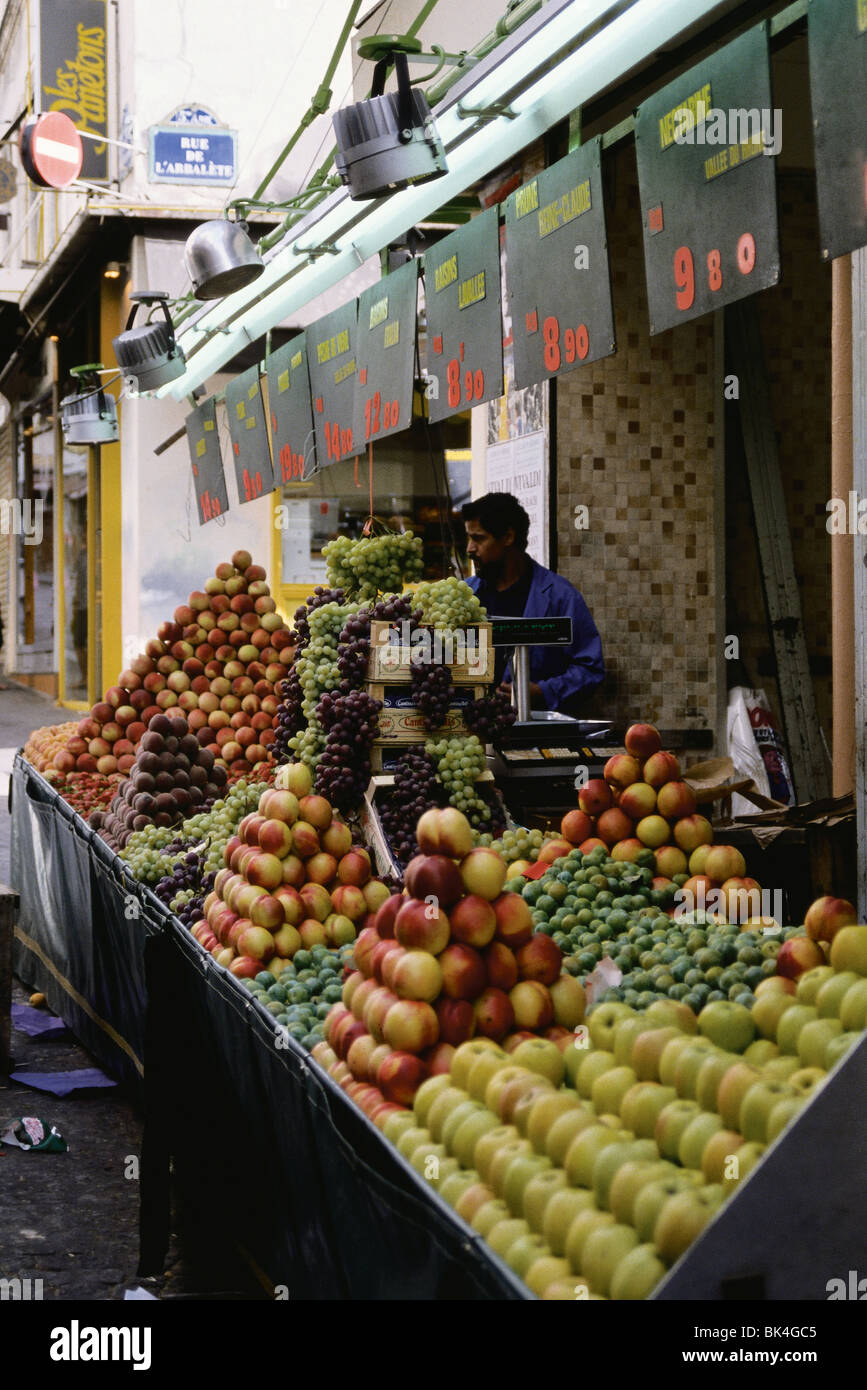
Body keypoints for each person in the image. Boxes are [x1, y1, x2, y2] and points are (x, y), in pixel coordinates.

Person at [461, 492, 604, 717]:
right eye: (468, 538)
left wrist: (541, 691)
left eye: (478, 539)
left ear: (508, 537)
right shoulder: (465, 594)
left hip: (532, 733)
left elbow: (590, 669)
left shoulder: (560, 597)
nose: (469, 549)